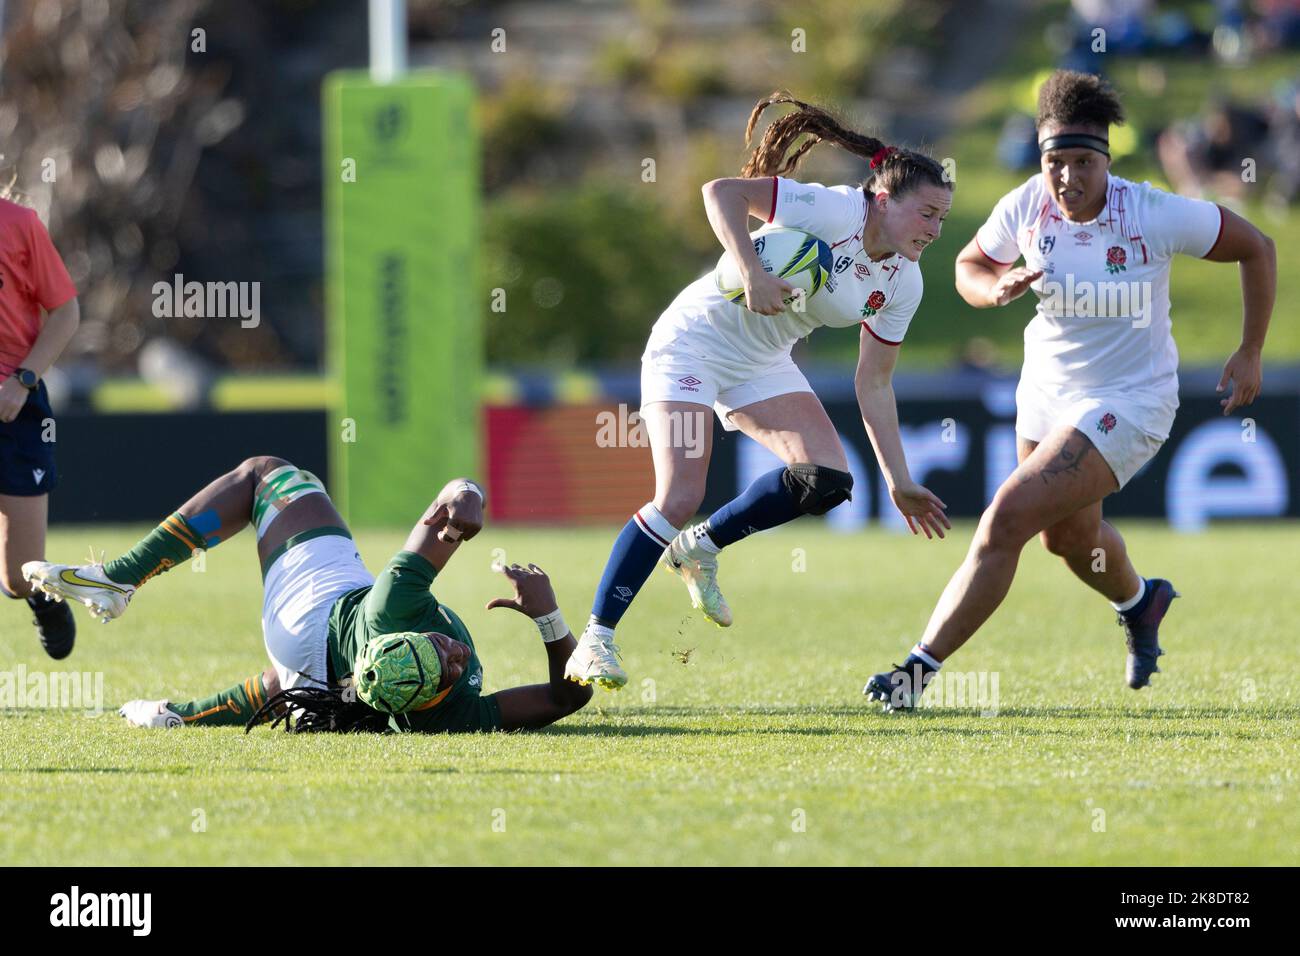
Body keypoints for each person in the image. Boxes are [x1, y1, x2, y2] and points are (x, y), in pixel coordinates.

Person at [865, 70, 1275, 710]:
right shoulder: (1027, 204)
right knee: (1067, 540)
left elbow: (1259, 247)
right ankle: (1142, 602)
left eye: (1083, 162)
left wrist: (1249, 350)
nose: (1067, 178)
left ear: (1106, 160)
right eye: (1055, 162)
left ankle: (914, 674)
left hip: (1130, 401)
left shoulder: (1152, 212)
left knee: (1004, 521)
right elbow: (968, 265)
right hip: (1047, 393)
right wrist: (989, 289)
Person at [564, 92, 953, 691]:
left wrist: (899, 480)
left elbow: (873, 382)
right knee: (679, 493)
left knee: (826, 480)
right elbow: (721, 192)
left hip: (760, 362)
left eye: (942, 219)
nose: (934, 229)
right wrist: (751, 272)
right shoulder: (833, 211)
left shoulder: (904, 281)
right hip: (692, 343)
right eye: (926, 213)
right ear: (882, 199)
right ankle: (596, 638)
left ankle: (702, 547)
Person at [23, 456, 591, 733]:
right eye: (445, 657)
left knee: (266, 475)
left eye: (439, 653)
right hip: (323, 683)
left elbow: (446, 509)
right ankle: (174, 717)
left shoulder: (395, 607)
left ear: (407, 641)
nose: (454, 651)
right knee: (294, 687)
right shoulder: (452, 718)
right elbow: (566, 700)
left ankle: (123, 576)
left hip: (313, 613)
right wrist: (548, 619)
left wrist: (466, 493)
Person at [0, 193, 80, 659]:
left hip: (15, 407)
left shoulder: (19, 224)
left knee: (18, 575)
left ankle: (43, 600)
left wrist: (22, 381)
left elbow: (66, 312)